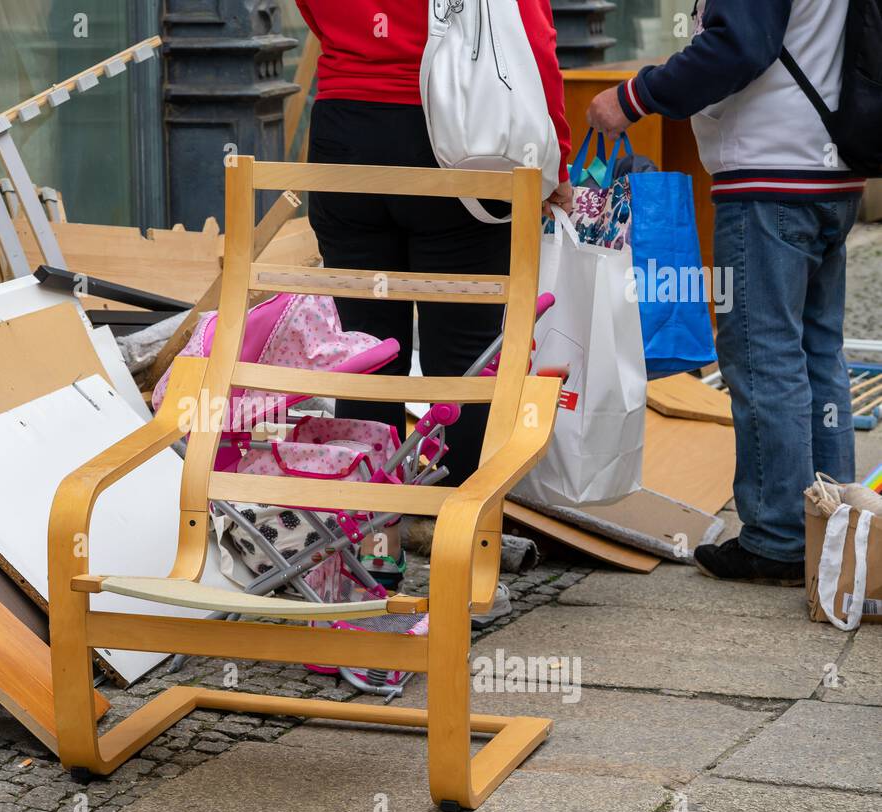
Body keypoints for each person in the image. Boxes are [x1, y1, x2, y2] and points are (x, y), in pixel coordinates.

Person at [587, 0, 865, 585]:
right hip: (833, 168)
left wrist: (632, 96)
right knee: (817, 351)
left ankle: (779, 538)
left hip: (768, 173)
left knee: (763, 354)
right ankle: (834, 527)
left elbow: (735, 45)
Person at [295, 0, 572, 487]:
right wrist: (555, 162)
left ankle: (372, 535)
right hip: (456, 125)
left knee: (366, 346)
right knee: (465, 352)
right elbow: (532, 40)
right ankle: (457, 522)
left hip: (345, 129)